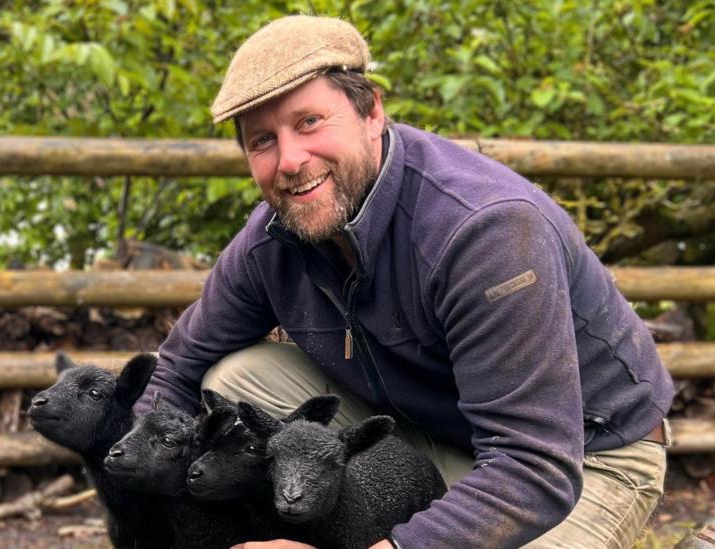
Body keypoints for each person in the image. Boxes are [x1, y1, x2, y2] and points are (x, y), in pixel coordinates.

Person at [136, 14, 674, 549]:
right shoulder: (272, 240)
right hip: (419, 427)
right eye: (262, 141)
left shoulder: (484, 231)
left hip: (580, 459)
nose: (290, 161)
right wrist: (133, 495)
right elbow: (177, 370)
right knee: (236, 377)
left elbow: (534, 464)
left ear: (371, 111)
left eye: (308, 123)